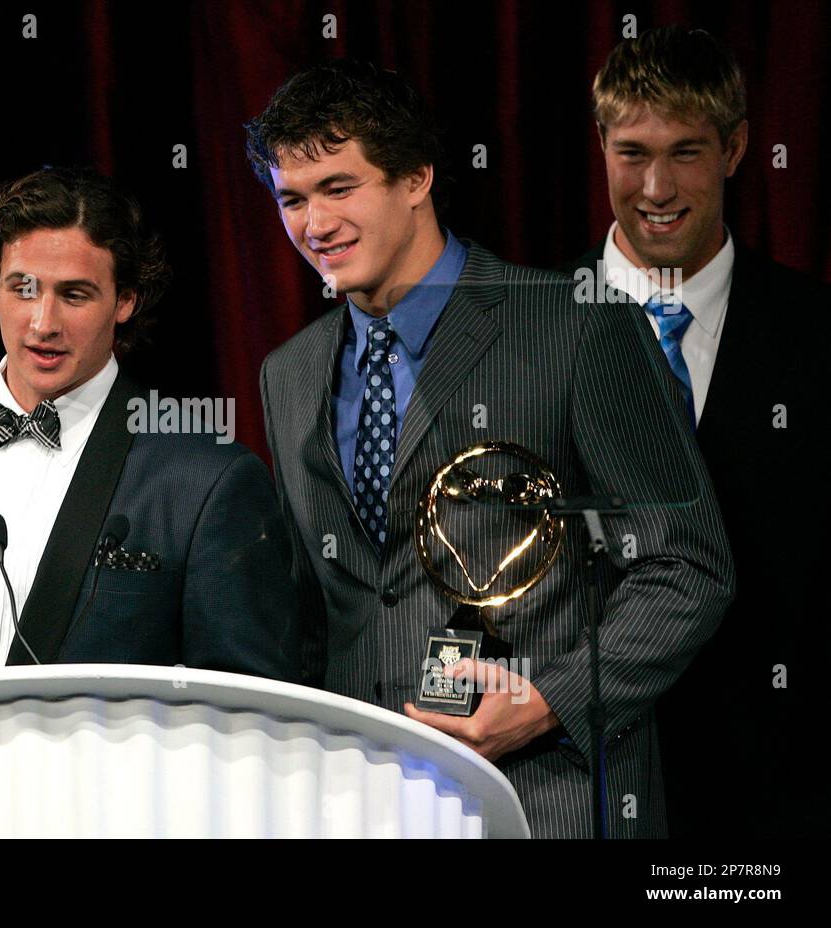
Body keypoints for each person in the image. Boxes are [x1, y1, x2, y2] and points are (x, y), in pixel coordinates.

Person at [248, 59, 733, 837]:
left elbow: (687, 566)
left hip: (551, 800)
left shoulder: (578, 327)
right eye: (292, 199)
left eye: (340, 188)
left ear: (416, 178)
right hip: (363, 807)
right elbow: (316, 614)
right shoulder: (291, 373)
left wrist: (550, 702)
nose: (315, 224)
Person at [560, 26, 831, 837]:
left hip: (779, 796)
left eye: (685, 151)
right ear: (602, 145)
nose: (655, 186)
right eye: (632, 152)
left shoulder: (818, 336)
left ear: (737, 148)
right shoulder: (521, 326)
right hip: (578, 785)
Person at [0, 166, 299, 680]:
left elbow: (246, 704)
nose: (44, 323)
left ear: (125, 301)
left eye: (75, 295)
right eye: (24, 289)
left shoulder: (208, 478)